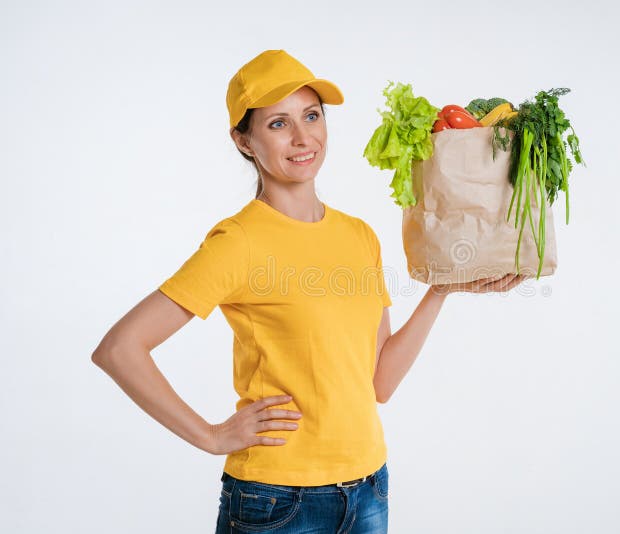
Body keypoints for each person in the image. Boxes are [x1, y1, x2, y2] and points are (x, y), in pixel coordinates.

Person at [91, 49, 528, 533]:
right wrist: (211, 436)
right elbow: (119, 348)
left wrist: (440, 291)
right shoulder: (238, 242)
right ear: (243, 140)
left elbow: (379, 382)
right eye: (278, 124)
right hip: (276, 501)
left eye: (312, 116)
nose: (303, 138)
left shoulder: (358, 235)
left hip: (369, 488)